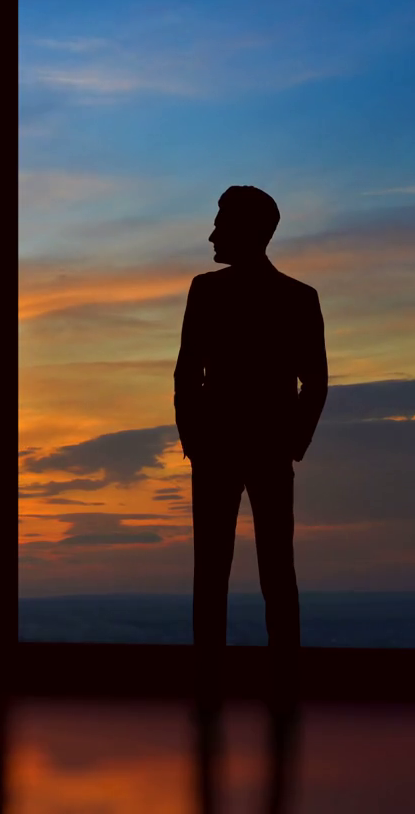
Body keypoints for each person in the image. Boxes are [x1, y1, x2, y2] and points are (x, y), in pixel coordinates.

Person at [174, 185, 327, 653]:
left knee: (255, 569)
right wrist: (198, 442)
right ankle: (272, 668)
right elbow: (187, 373)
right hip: (238, 449)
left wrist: (285, 445)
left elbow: (315, 383)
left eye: (221, 224)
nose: (212, 236)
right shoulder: (287, 297)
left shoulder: (295, 298)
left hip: (242, 449)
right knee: (261, 568)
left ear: (248, 231)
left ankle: (239, 668)